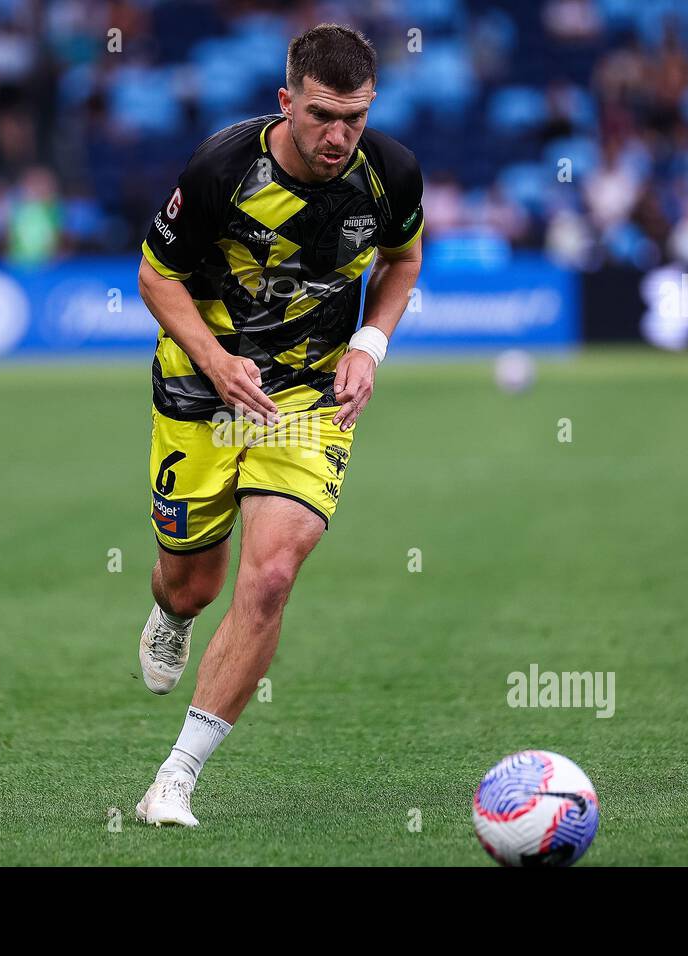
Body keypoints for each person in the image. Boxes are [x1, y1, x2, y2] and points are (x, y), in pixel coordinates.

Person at [132, 23, 424, 827]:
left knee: (270, 574)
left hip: (307, 396)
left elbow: (403, 260)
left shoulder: (391, 173)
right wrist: (217, 362)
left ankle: (176, 779)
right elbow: (157, 277)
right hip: (203, 384)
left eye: (355, 118)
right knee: (193, 581)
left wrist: (369, 343)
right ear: (285, 100)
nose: (339, 136)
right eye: (323, 115)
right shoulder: (222, 167)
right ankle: (171, 614)